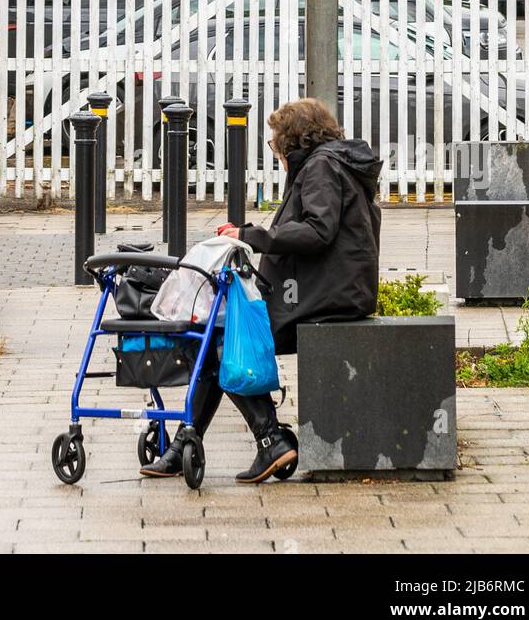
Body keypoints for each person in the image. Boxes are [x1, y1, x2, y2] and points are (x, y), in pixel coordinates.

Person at [141, 97, 382, 483]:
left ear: (295, 140)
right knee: (216, 337)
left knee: (224, 342)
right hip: (331, 288)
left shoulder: (321, 167)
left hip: (324, 296)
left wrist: (251, 237)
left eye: (276, 143)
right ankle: (188, 440)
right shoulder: (331, 164)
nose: (276, 152)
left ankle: (269, 439)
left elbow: (318, 231)